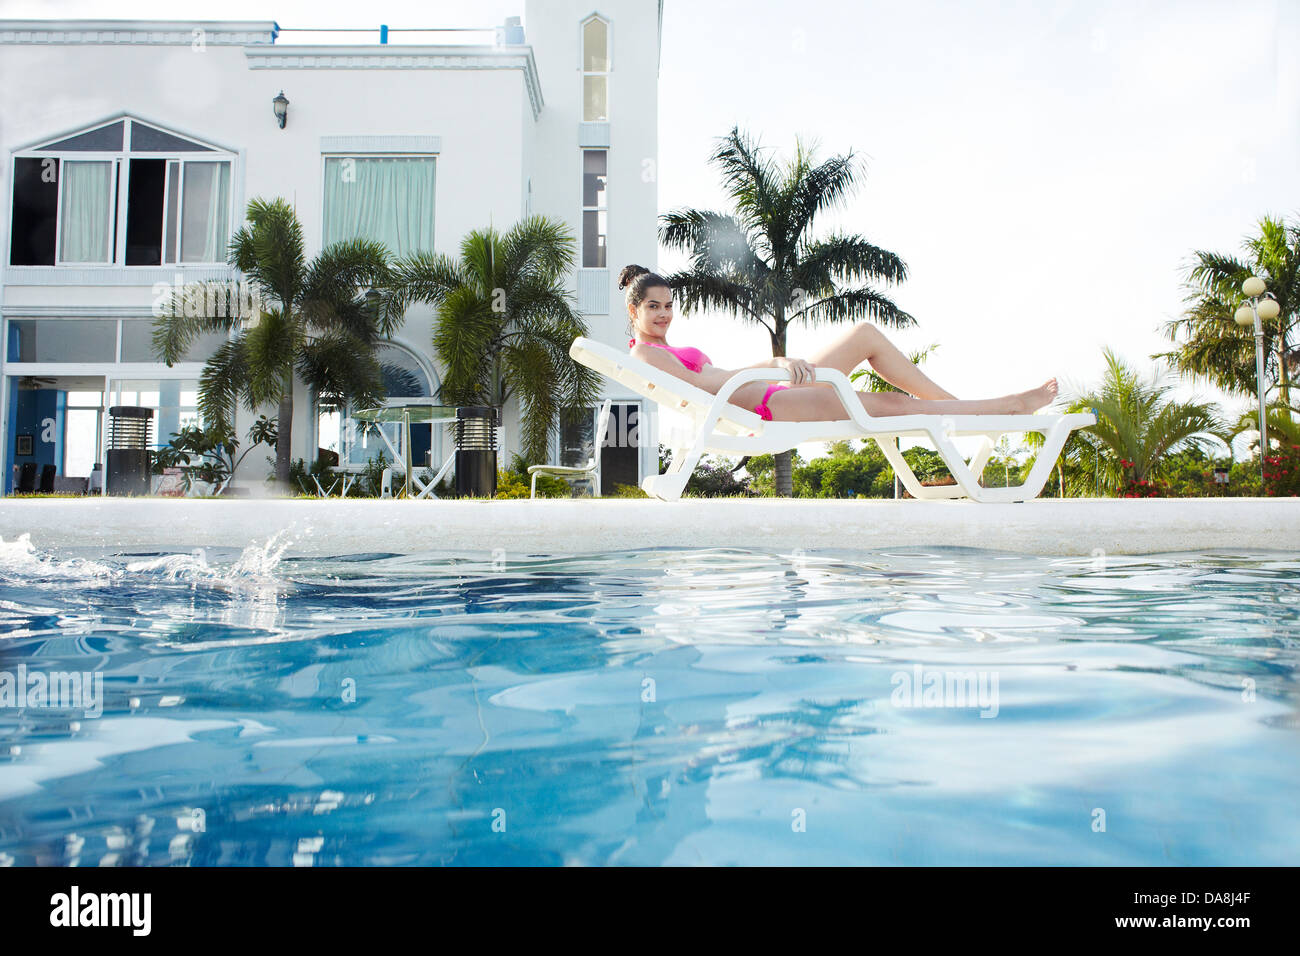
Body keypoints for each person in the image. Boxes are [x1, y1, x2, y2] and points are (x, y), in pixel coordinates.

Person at [619, 264, 1058, 423]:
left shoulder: (666, 349)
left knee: (865, 335)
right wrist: (773, 363)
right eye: (653, 306)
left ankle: (966, 412)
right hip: (770, 406)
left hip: (776, 391)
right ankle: (1005, 408)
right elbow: (707, 386)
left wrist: (772, 370)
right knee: (892, 406)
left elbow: (711, 378)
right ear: (634, 311)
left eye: (668, 305)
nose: (663, 314)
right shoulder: (643, 353)